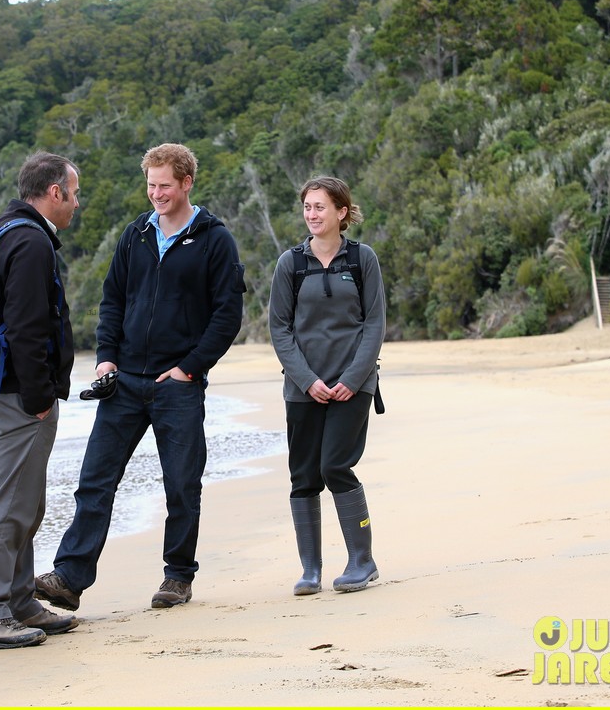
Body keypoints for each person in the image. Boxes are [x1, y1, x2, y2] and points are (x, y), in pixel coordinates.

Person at [35, 142, 246, 612]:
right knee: (94, 481)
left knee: (181, 484)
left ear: (187, 182)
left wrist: (190, 369)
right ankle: (69, 578)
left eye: (165, 186)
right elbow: (112, 300)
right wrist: (106, 357)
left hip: (179, 385)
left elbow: (228, 316)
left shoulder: (215, 239)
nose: (156, 194)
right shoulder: (136, 234)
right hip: (124, 380)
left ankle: (177, 578)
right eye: (151, 186)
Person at [0, 152, 81, 651]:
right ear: (54, 192)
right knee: (11, 506)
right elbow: (30, 325)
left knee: (24, 502)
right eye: (74, 193)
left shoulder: (2, 230)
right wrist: (39, 397)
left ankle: (18, 601)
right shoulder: (30, 241)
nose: (76, 203)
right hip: (17, 396)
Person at [267, 176, 386, 595]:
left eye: (320, 207)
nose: (312, 215)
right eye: (307, 207)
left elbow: (375, 324)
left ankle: (362, 560)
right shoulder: (291, 263)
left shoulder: (362, 259)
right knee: (303, 476)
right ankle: (311, 570)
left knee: (335, 465)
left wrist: (353, 379)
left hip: (353, 385)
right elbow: (279, 330)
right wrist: (308, 380)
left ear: (341, 212)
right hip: (304, 389)